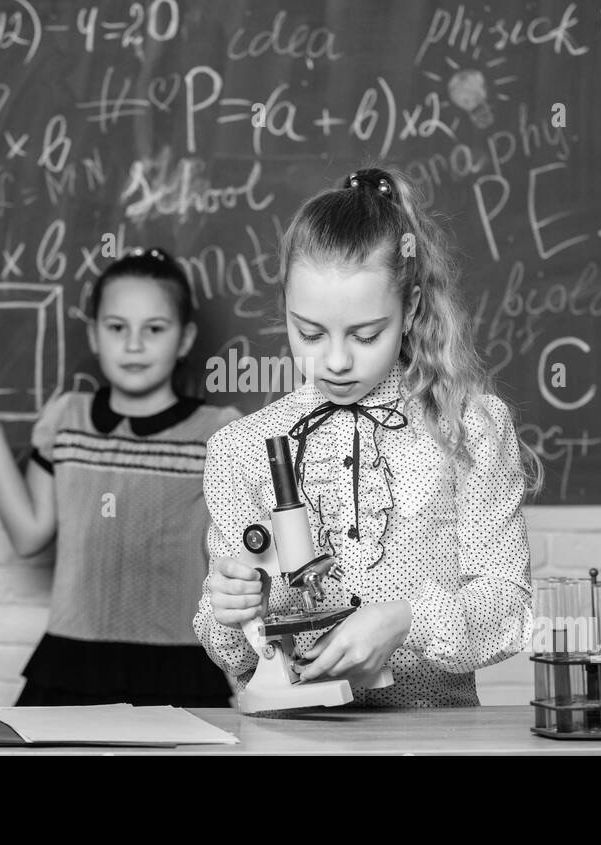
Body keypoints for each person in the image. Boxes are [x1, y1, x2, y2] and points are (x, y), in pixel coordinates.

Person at [193, 167, 542, 706]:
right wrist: (233, 607)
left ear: (412, 309)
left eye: (365, 334)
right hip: (295, 745)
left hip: (434, 742)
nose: (333, 361)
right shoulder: (241, 447)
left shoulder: (470, 428)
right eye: (308, 332)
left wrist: (406, 621)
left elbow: (511, 609)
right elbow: (233, 655)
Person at [0, 248, 238, 707]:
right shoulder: (65, 419)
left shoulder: (218, 432)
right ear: (93, 334)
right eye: (116, 328)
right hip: (73, 659)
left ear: (185, 338)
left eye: (154, 328)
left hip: (182, 663)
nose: (134, 345)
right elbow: (30, 537)